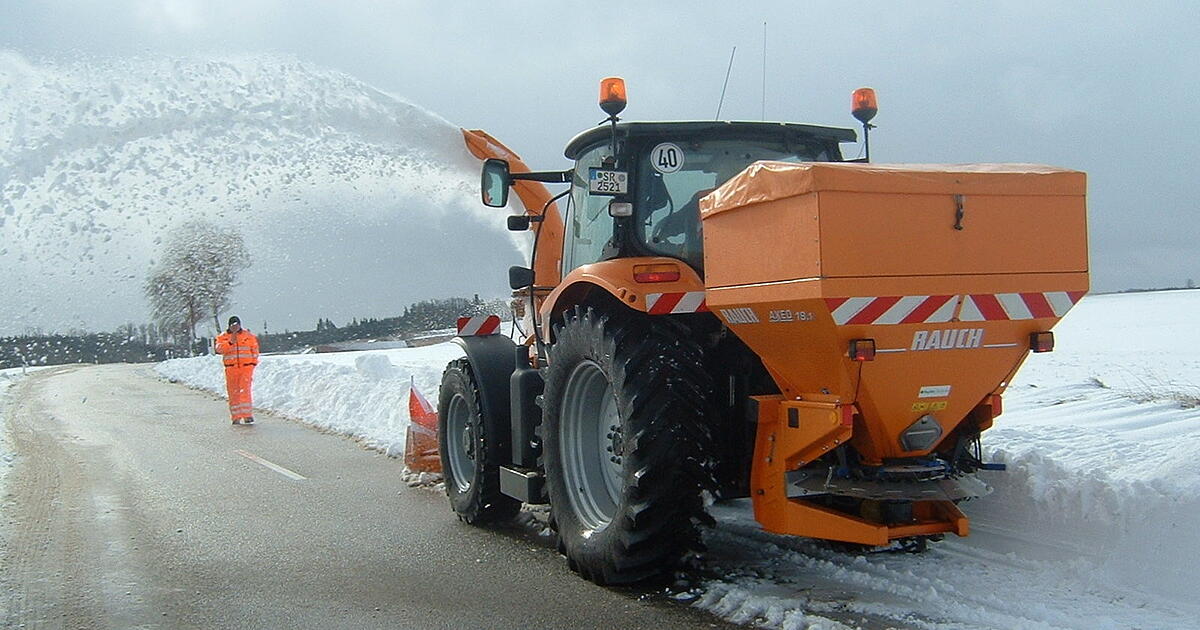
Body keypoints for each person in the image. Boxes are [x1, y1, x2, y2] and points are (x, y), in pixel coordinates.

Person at [214, 316, 260, 425]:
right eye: (233, 325)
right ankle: (236, 416)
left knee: (245, 391)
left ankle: (247, 415)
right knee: (233, 392)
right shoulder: (223, 337)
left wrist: (253, 363)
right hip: (231, 368)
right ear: (229, 326)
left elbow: (255, 350)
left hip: (246, 368)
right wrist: (231, 341)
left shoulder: (248, 336)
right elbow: (220, 349)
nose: (235, 327)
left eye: (237, 324)